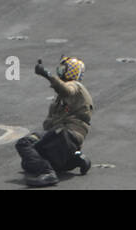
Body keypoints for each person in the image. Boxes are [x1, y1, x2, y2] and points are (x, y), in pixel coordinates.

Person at [15, 56, 93, 187]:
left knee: (24, 144)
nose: (60, 72)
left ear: (71, 71)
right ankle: (75, 159)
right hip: (67, 137)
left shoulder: (74, 86)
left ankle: (47, 173)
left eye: (63, 69)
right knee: (28, 162)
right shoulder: (69, 95)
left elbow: (66, 89)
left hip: (65, 133)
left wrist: (47, 74)